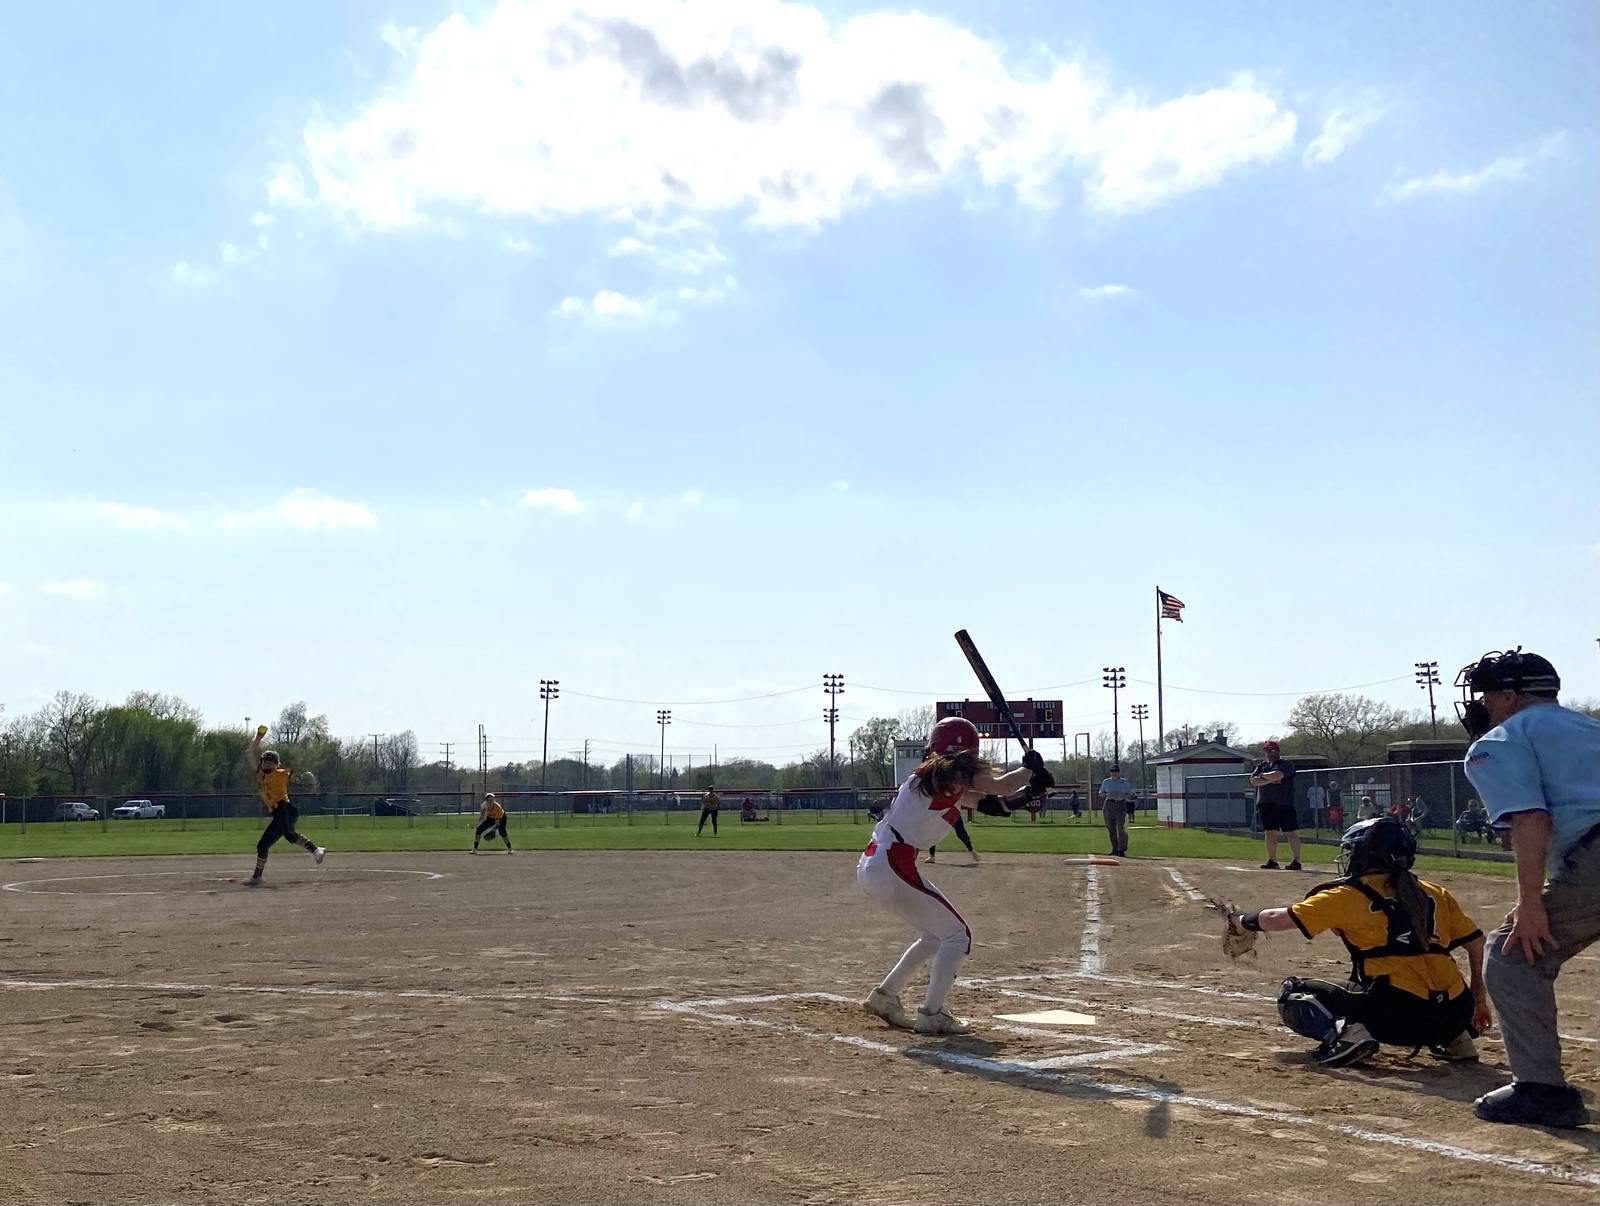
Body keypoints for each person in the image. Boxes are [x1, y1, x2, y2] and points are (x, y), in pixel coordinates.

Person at [1457, 648, 1599, 1128]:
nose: (1483, 703)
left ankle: (1542, 1091)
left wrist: (1531, 903)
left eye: (1488, 694)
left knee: (1514, 957)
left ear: (1512, 695)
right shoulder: (1588, 728)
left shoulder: (1502, 739)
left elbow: (1530, 818)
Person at [1218, 818, 1490, 1068]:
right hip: (1457, 1012)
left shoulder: (1349, 895)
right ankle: (1457, 1040)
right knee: (1425, 974)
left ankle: (1350, 1037)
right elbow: (1478, 943)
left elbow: (1277, 919)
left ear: (1366, 854)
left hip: (1398, 1019)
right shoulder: (1435, 892)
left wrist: (1240, 921)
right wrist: (1478, 997)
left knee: (1294, 992)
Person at [858, 716, 1044, 1035]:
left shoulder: (938, 780)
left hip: (880, 863)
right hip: (892, 862)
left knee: (936, 936)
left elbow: (996, 804)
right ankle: (932, 1014)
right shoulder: (945, 774)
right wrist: (1029, 769)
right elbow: (1002, 786)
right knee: (958, 935)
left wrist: (1033, 789)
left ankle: (885, 996)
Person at [245, 725, 324, 885]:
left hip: (285, 809)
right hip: (279, 812)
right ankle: (316, 850)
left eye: (271, 761)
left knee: (279, 838)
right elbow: (249, 753)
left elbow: (296, 778)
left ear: (276, 764)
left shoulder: (280, 774)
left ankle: (257, 877)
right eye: (265, 760)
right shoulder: (261, 776)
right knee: (271, 842)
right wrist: (258, 737)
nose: (267, 763)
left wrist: (305, 780)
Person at [1250, 739, 1301, 870]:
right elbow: (1253, 781)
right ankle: (1272, 860)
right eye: (1267, 750)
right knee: (1269, 831)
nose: (1269, 753)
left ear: (1278, 751)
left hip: (1284, 803)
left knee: (1289, 832)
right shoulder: (1262, 766)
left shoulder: (1285, 764)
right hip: (1266, 803)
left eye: (1272, 750)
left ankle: (1296, 861)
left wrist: (1263, 777)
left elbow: (1278, 775)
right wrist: (1269, 779)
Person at [1098, 764, 1137, 857]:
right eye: (1112, 771)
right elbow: (1100, 792)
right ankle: (1115, 848)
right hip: (1109, 804)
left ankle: (1122, 848)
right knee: (1111, 829)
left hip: (1120, 804)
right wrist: (1106, 794)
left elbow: (1130, 794)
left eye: (1116, 771)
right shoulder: (1106, 782)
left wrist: (1127, 795)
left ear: (1119, 772)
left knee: (1120, 828)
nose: (1114, 773)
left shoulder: (1124, 782)